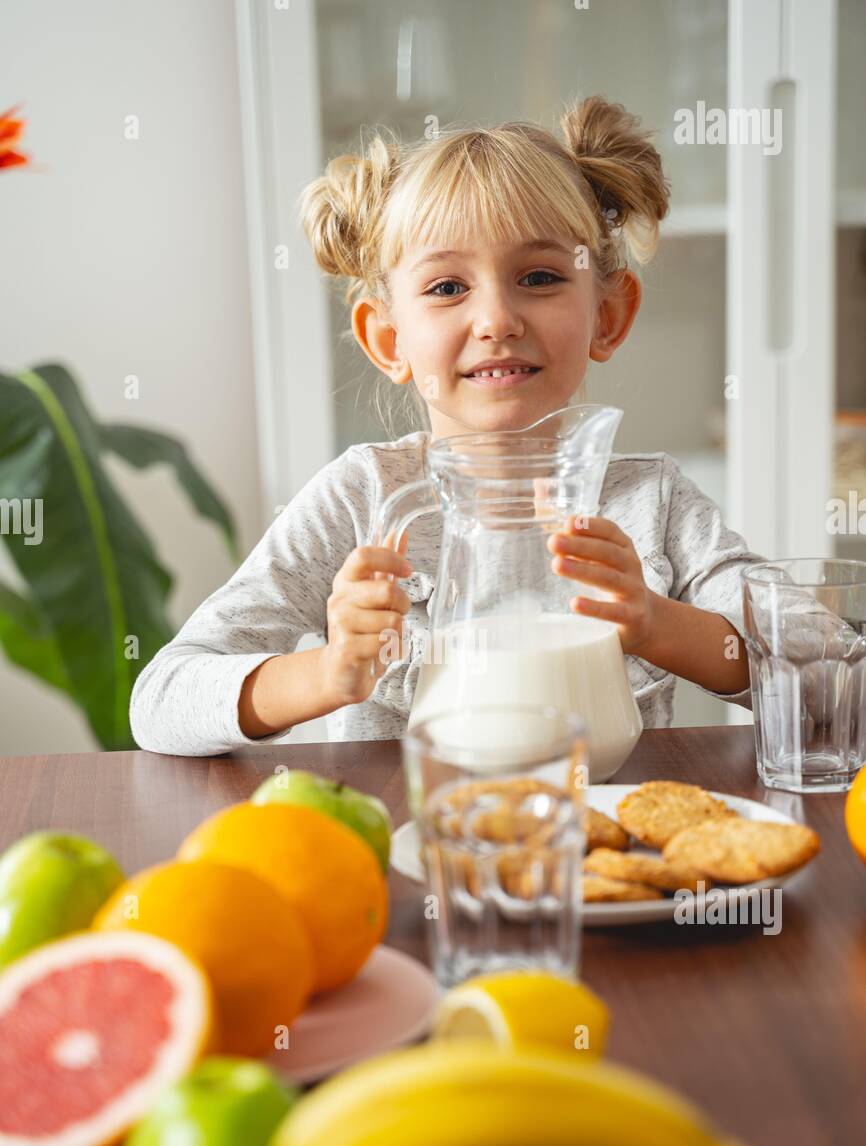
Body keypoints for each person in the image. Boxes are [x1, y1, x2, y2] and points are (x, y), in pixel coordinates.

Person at [130, 96, 761, 757]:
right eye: (447, 288)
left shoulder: (650, 506)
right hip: (413, 844)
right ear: (387, 337)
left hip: (603, 848)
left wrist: (656, 624)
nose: (496, 319)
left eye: (540, 277)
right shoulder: (359, 500)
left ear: (608, 315)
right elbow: (162, 701)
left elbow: (821, 665)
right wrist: (327, 672)